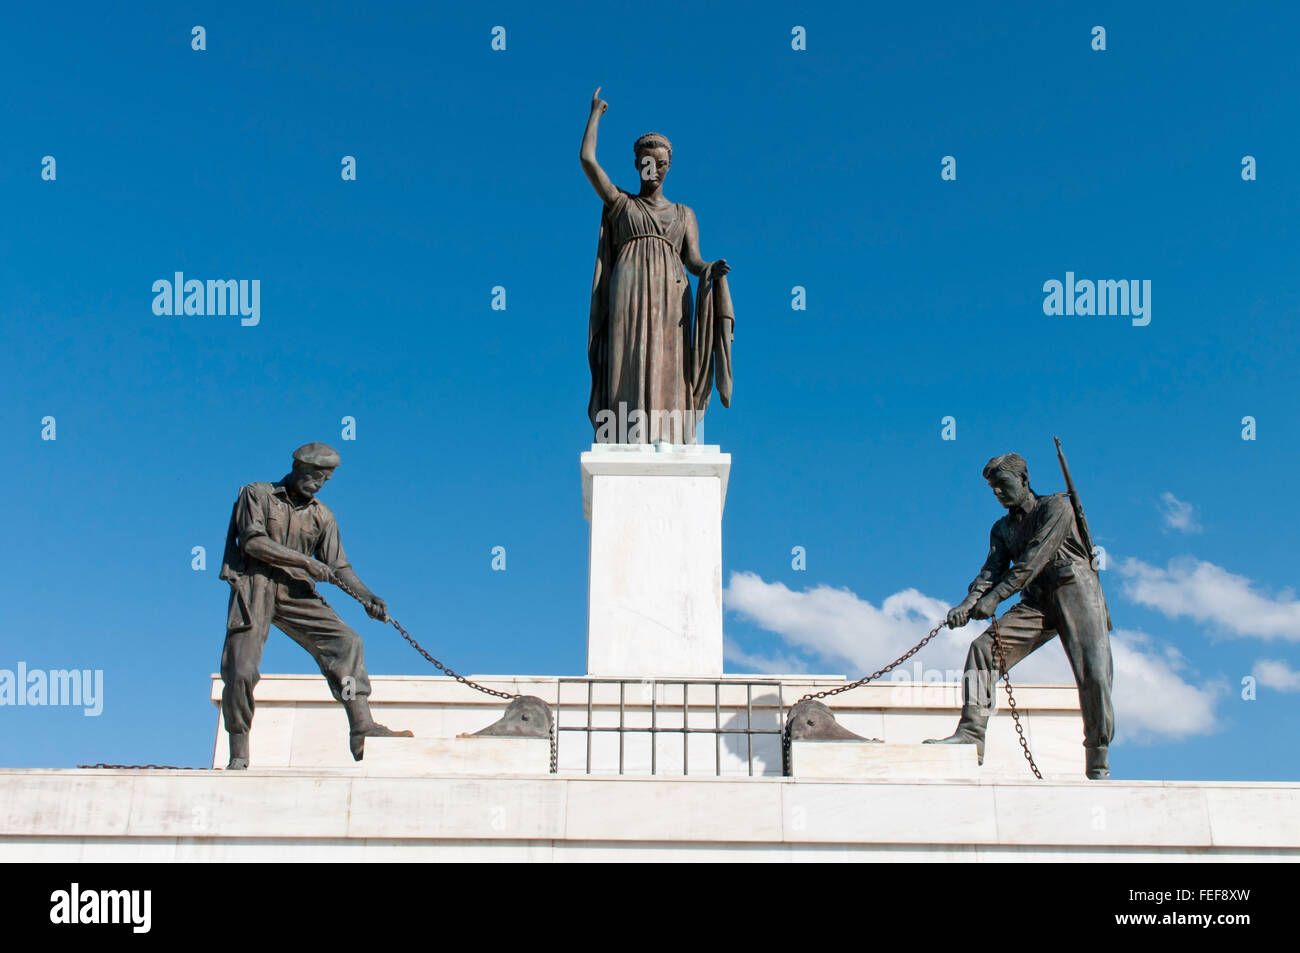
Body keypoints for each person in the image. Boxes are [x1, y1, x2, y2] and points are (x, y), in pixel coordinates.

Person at [218, 442, 412, 769]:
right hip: (256, 585)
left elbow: (339, 567)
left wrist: (367, 598)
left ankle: (361, 726)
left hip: (296, 590)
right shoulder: (258, 494)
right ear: (298, 468)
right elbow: (252, 542)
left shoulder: (322, 515)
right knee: (241, 671)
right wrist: (304, 561)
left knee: (347, 642)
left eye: (326, 479)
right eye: (315, 475)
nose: (319, 483)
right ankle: (239, 753)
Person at [925, 452, 1114, 779]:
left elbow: (1032, 559)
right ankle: (971, 735)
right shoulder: (1001, 529)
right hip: (1037, 599)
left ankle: (1098, 759)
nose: (997, 492)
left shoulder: (1057, 507)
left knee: (1095, 675)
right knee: (984, 649)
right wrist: (968, 603)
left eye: (1003, 484)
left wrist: (995, 598)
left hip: (1076, 589)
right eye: (993, 488)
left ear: (1024, 480)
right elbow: (990, 571)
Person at [581, 87, 735, 445]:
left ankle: (668, 433)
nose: (654, 168)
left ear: (668, 166)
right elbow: (588, 160)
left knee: (669, 362)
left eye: (661, 162)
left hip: (671, 294)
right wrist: (596, 114)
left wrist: (710, 269)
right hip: (628, 291)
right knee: (626, 358)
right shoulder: (621, 204)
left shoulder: (684, 214)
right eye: (647, 161)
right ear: (638, 164)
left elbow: (694, 260)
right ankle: (624, 433)